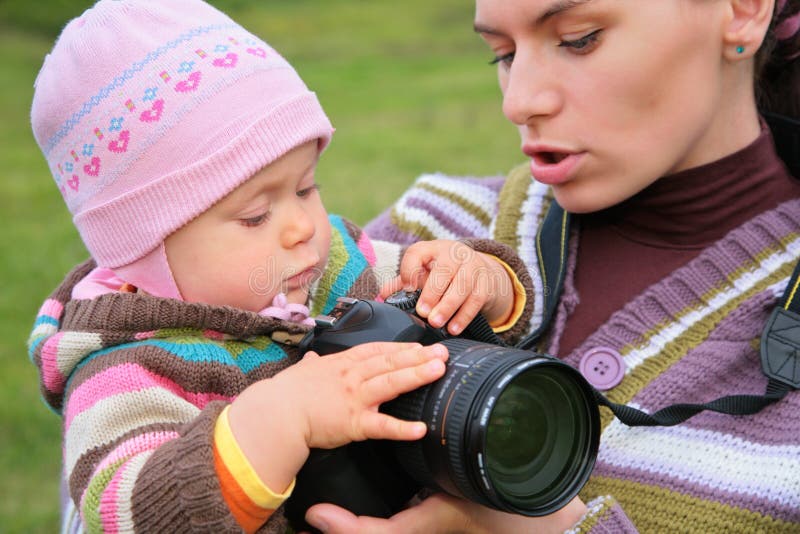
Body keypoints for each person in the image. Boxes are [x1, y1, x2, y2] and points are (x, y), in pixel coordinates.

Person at [26, 1, 535, 532]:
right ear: (141, 247)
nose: (302, 227)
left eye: (306, 188)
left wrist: (481, 283)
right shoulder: (125, 375)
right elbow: (132, 515)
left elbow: (469, 313)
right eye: (255, 216)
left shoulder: (332, 268)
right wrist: (284, 418)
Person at [303, 0, 800, 532]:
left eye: (579, 39)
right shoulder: (422, 235)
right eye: (504, 55)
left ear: (742, 11)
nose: (519, 102)